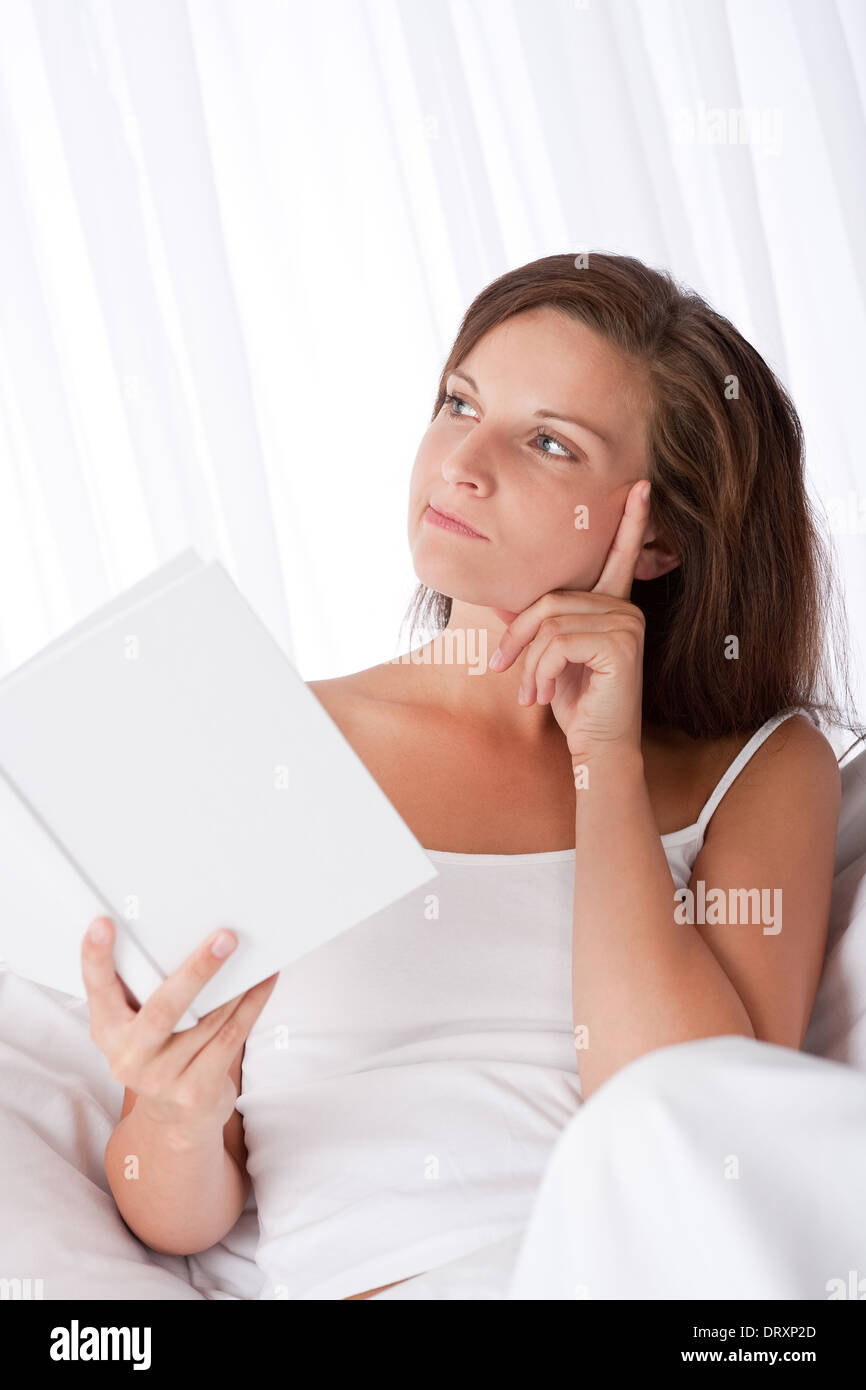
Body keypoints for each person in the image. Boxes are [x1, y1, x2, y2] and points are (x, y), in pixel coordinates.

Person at [83, 252, 859, 1300]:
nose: (461, 462)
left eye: (546, 442)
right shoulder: (267, 743)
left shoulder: (756, 770)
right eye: (459, 403)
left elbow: (690, 1123)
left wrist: (604, 762)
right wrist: (172, 1113)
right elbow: (175, 1210)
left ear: (661, 536)